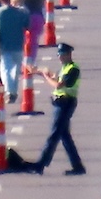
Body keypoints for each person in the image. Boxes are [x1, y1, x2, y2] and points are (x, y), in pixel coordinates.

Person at [33, 41, 88, 174]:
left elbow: (59, 85)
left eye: (62, 54)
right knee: (64, 136)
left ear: (69, 54)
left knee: (54, 134)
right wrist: (40, 72)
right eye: (59, 54)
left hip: (66, 103)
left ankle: (41, 164)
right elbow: (56, 77)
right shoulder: (64, 68)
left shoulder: (73, 69)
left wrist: (46, 76)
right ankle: (78, 166)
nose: (60, 57)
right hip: (59, 103)